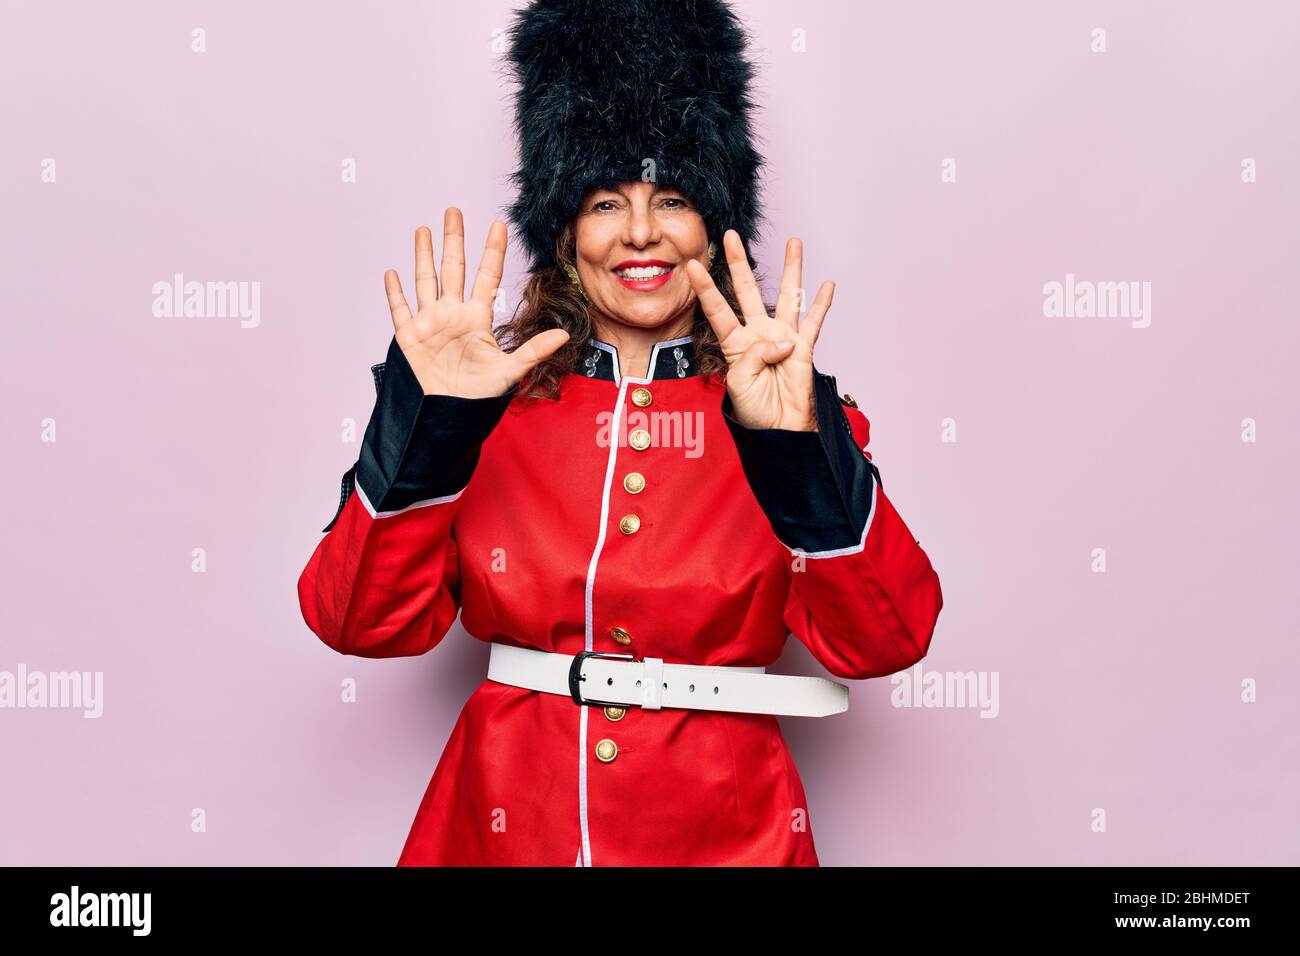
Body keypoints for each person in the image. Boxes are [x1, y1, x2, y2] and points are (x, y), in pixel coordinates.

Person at [296, 0, 943, 866]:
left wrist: (803, 447)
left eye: (672, 198)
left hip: (728, 834)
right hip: (502, 823)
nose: (640, 232)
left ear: (714, 228)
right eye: (606, 201)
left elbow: (885, 643)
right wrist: (428, 427)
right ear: (564, 231)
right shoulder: (490, 407)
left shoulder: (782, 409)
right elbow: (356, 623)